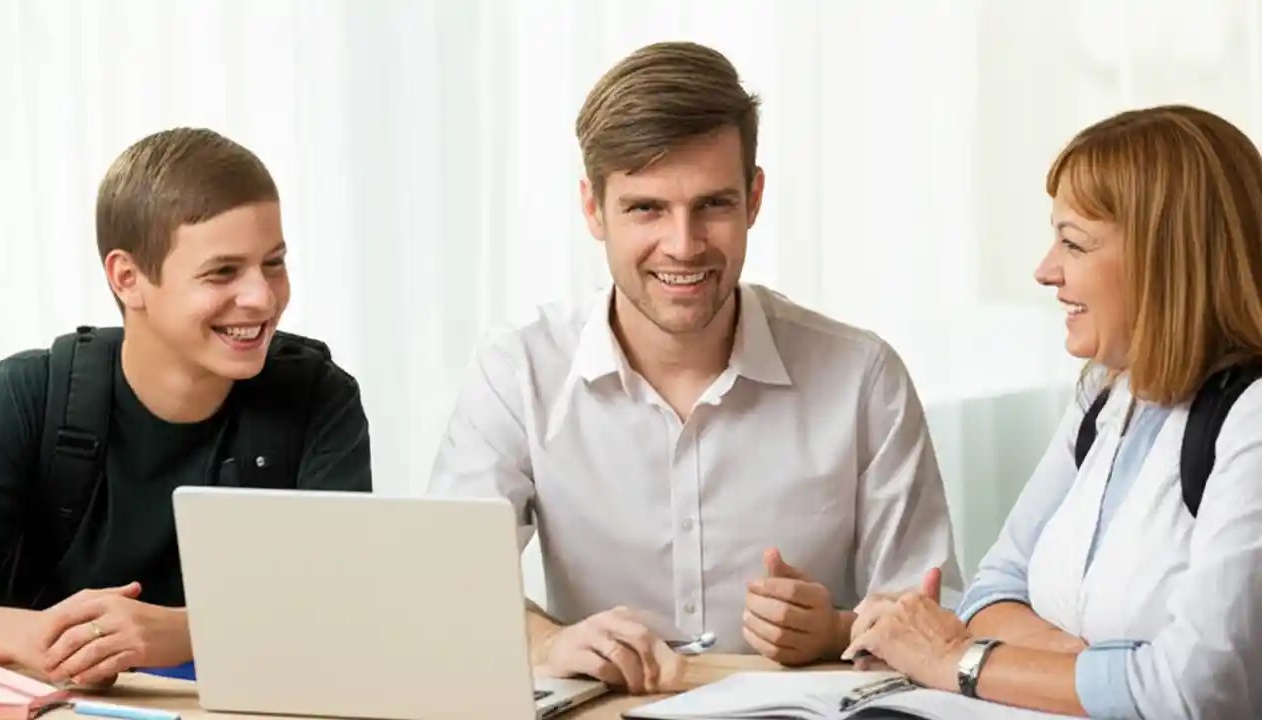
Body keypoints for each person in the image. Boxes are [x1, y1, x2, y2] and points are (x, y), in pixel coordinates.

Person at [427, 40, 959, 695]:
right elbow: (445, 595)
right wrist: (551, 641)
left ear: (754, 199)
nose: (683, 245)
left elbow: (937, 624)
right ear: (593, 209)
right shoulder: (519, 373)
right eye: (646, 208)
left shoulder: (863, 378)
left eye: (713, 205)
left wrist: (837, 629)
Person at [844, 104, 1262, 719]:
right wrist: (1098, 670)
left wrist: (957, 659)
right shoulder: (1105, 396)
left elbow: (1191, 692)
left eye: (1074, 243)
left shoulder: (1249, 419)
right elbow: (992, 591)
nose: (1046, 271)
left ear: (1165, 260)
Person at [0, 128, 373, 687]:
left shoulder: (320, 398)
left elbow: (350, 611)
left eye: (274, 263)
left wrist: (190, 631)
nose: (262, 298)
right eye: (222, 272)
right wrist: (44, 637)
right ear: (128, 278)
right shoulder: (27, 396)